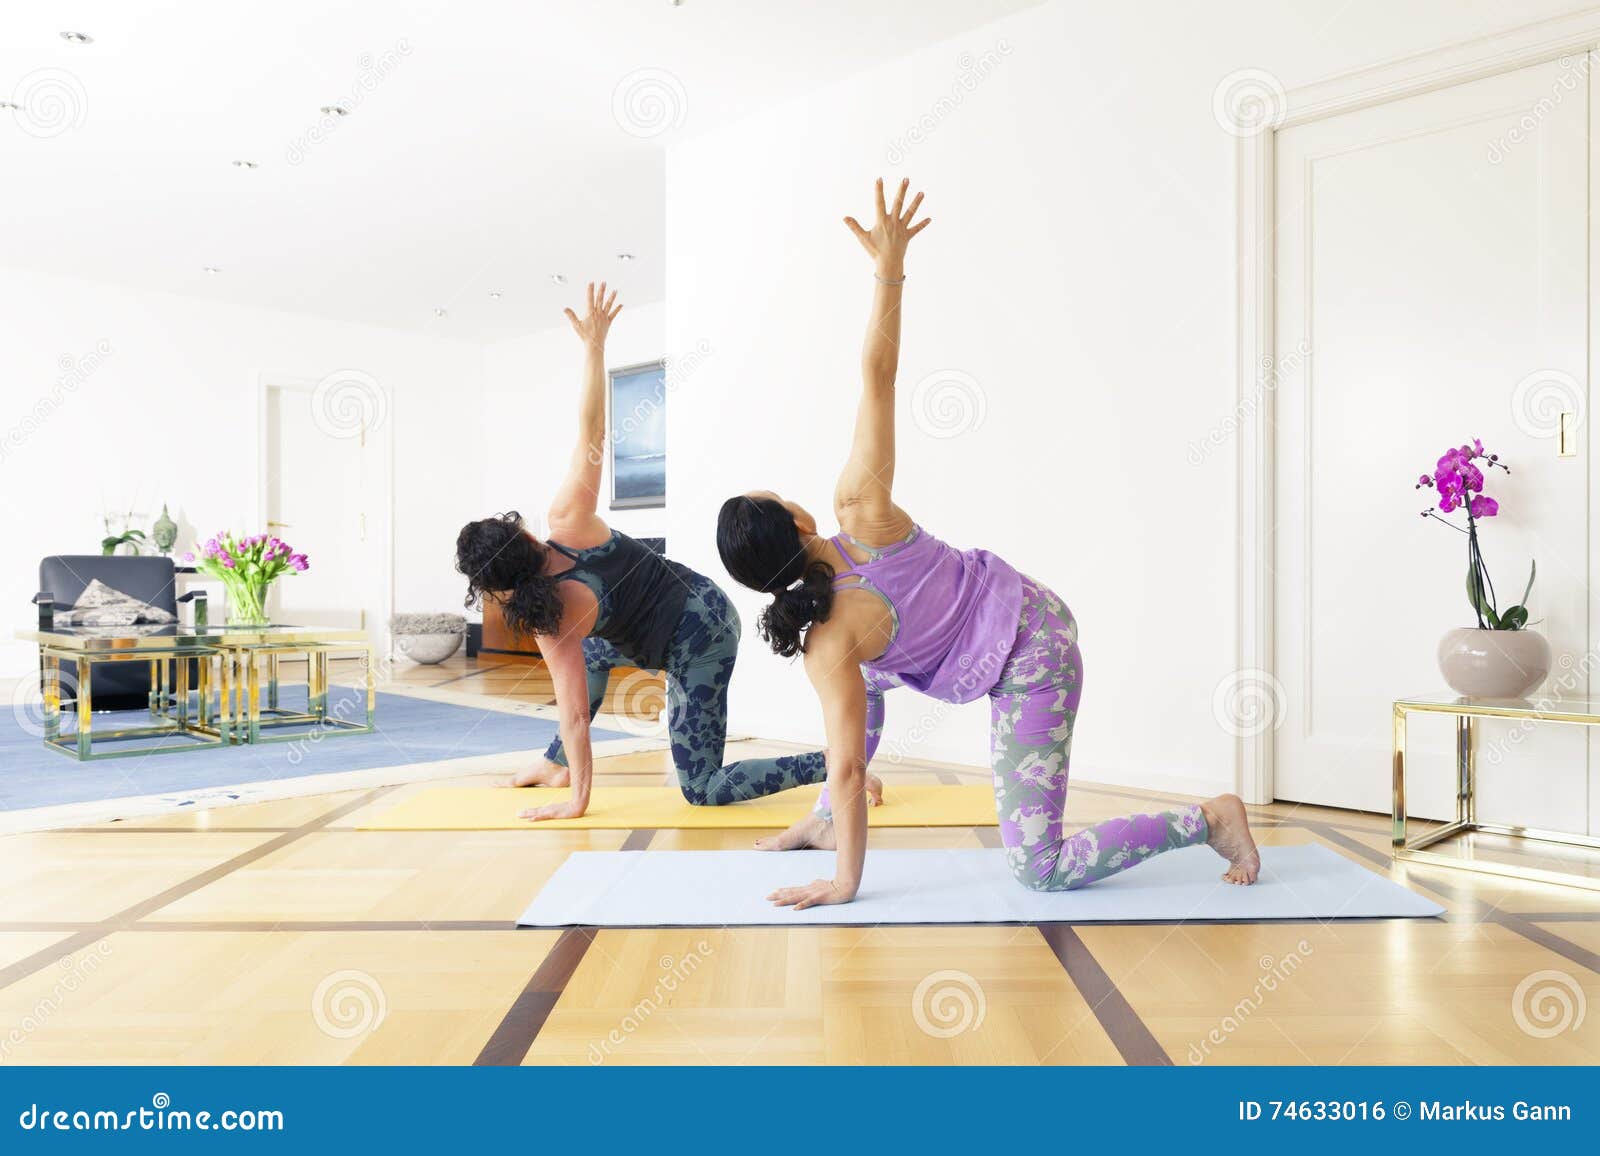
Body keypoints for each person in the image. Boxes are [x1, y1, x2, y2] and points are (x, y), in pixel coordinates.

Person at [715, 180, 1260, 909]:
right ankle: (823, 829)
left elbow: (846, 769)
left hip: (1031, 647)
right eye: (774, 493)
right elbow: (877, 377)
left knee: (1042, 869)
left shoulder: (826, 635)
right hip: (1009, 621)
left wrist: (846, 881)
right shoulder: (857, 514)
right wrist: (889, 270)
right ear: (797, 522)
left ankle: (1211, 819)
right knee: (865, 687)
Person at [456, 283, 874, 820]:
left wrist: (578, 805)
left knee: (701, 788)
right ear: (526, 539)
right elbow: (593, 432)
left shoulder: (550, 619)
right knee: (596, 654)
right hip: (696, 599)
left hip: (703, 634)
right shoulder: (567, 525)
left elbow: (576, 716)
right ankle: (555, 767)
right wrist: (595, 348)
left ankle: (839, 762)